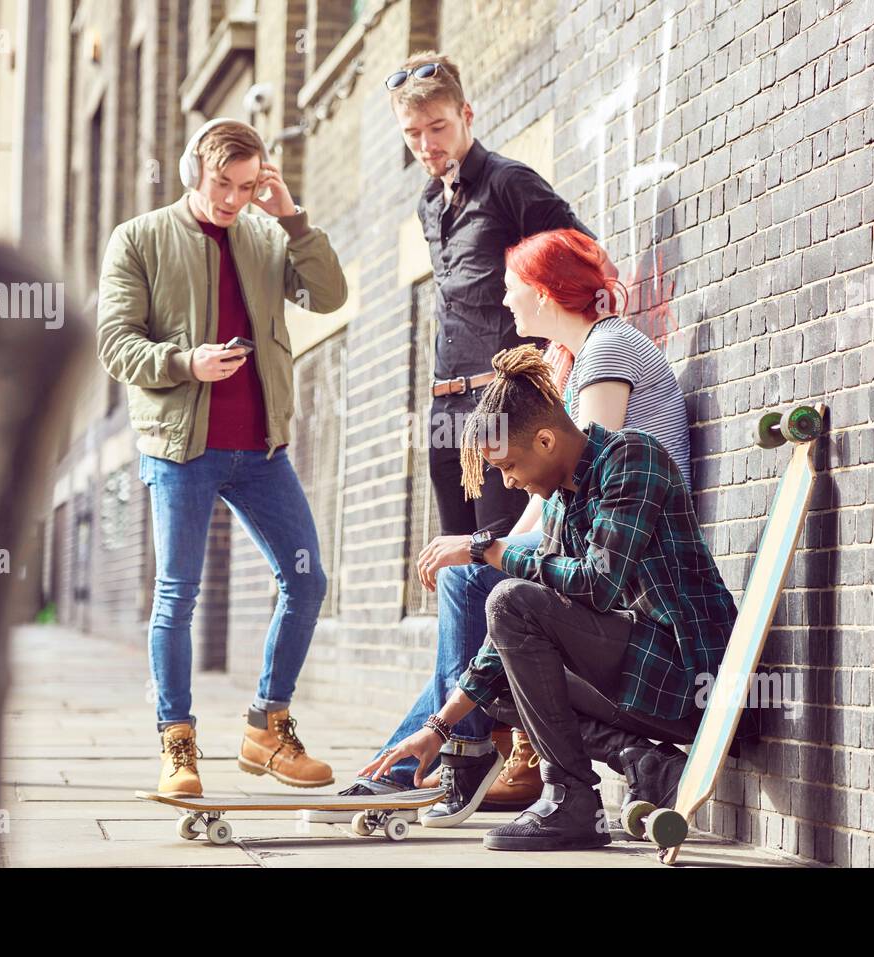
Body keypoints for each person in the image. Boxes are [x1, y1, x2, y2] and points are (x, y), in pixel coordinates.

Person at [308, 52, 616, 822]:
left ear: (467, 116)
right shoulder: (428, 205)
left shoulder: (511, 184)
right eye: (413, 133)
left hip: (500, 413)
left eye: (438, 126)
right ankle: (467, 744)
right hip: (448, 413)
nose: (428, 143)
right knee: (460, 579)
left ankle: (466, 748)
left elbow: (583, 265)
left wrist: (554, 356)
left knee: (490, 570)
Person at [312, 228, 698, 827]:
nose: (504, 298)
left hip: (642, 588)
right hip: (618, 591)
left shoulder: (609, 352)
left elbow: (584, 481)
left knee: (487, 589)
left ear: (544, 292)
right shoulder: (568, 360)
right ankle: (456, 749)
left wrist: (482, 549)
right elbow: (554, 504)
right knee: (500, 616)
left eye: (513, 286)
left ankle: (465, 758)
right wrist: (438, 722)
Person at [362, 345, 738, 851]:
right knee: (495, 679)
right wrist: (438, 727)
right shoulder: (561, 503)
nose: (509, 480)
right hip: (639, 681)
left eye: (509, 464)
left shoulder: (632, 458)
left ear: (545, 439)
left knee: (509, 600)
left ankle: (569, 799)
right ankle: (640, 760)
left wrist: (487, 550)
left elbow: (596, 584)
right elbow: (512, 638)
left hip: (690, 676)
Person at [97, 118, 348, 797]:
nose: (233, 199)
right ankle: (177, 745)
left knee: (307, 580)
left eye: (247, 185)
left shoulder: (266, 236)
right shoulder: (141, 238)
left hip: (261, 450)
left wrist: (290, 217)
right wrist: (186, 362)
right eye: (222, 184)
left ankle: (267, 726)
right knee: (178, 595)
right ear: (191, 171)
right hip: (183, 450)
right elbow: (115, 343)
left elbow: (330, 297)